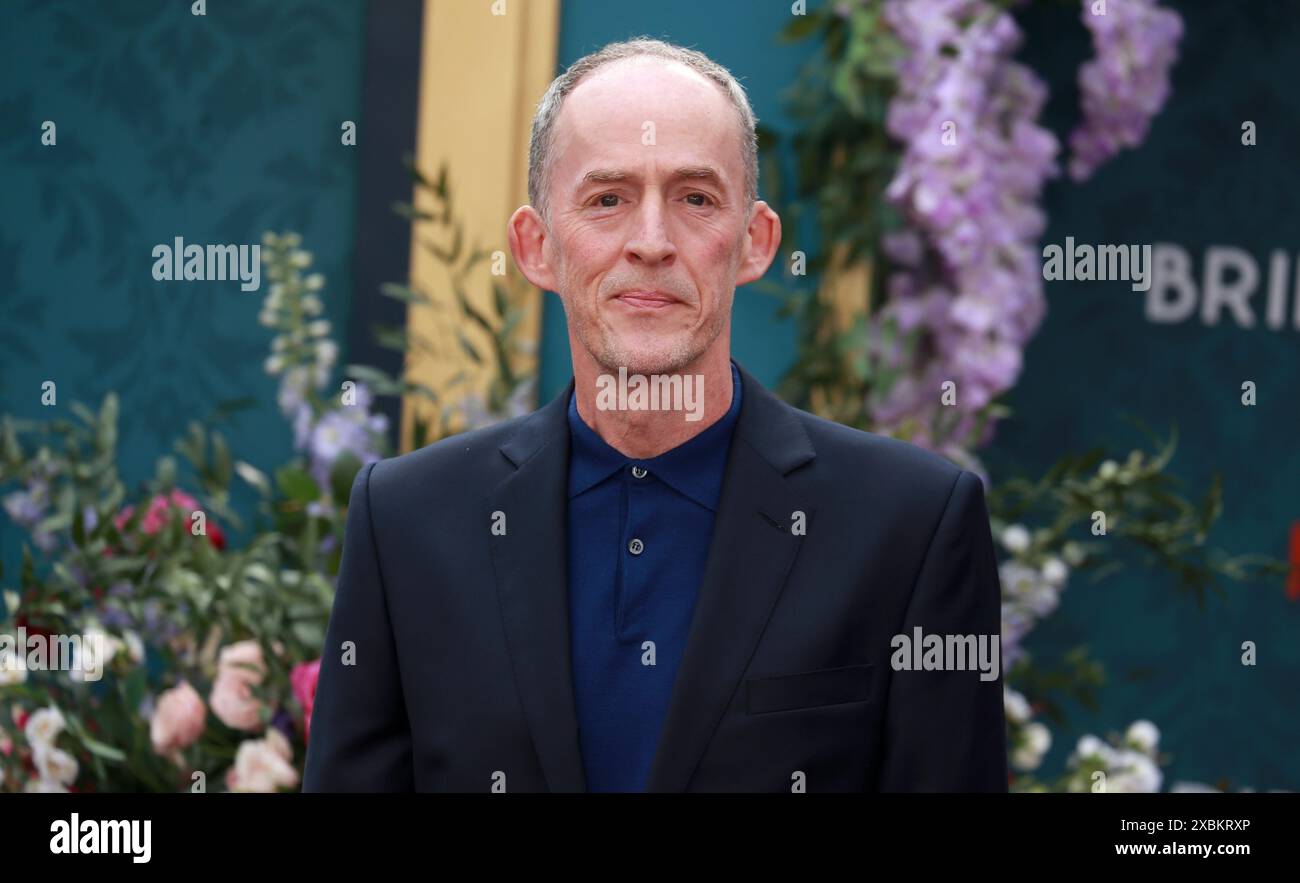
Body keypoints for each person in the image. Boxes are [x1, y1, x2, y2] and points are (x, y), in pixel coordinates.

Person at [303, 37, 1007, 793]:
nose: (651, 242)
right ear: (537, 247)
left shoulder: (911, 525)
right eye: (607, 199)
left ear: (755, 242)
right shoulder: (406, 522)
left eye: (695, 199)